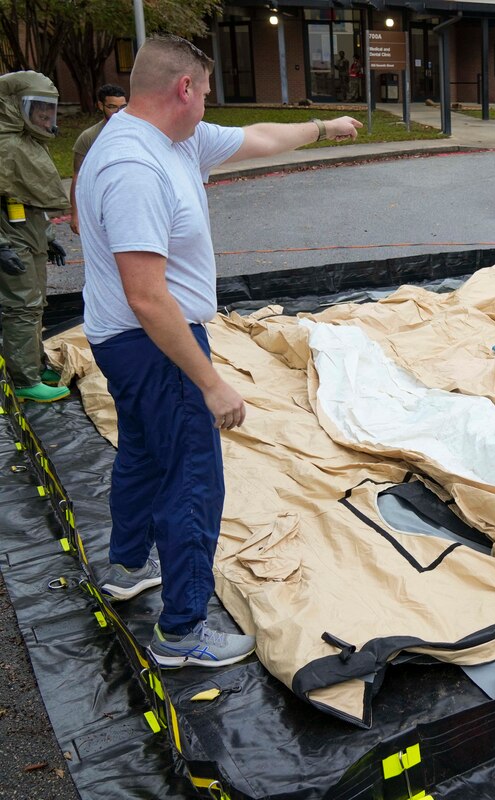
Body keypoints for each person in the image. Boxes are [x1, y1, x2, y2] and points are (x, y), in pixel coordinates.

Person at [75, 35, 362, 668]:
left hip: (130, 343)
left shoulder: (173, 139)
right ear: (184, 89)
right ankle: (181, 631)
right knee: (193, 484)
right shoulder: (133, 168)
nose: (209, 102)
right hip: (155, 345)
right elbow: (148, 297)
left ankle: (126, 568)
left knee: (145, 456)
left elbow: (257, 138)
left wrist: (324, 126)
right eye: (205, 90)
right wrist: (209, 382)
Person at [0, 70, 71, 403]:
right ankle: (25, 380)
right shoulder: (6, 146)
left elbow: (33, 201)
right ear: (14, 106)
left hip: (28, 235)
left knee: (34, 303)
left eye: (49, 107)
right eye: (37, 106)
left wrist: (47, 235)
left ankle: (34, 364)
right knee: (22, 307)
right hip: (10, 240)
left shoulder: (27, 143)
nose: (45, 114)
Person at [70, 84, 128, 235]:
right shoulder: (88, 137)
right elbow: (77, 176)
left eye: (123, 106)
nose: (118, 112)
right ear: (100, 105)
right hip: (102, 203)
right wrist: (76, 214)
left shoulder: (137, 131)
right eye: (112, 107)